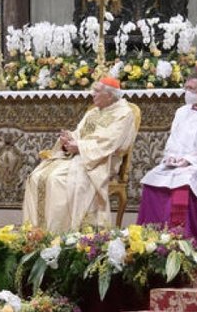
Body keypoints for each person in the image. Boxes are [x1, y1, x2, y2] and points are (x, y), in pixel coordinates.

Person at [22, 76, 138, 232]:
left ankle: (60, 232)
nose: (92, 94)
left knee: (57, 180)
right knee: (36, 176)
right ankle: (36, 230)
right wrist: (68, 140)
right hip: (79, 156)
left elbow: (110, 143)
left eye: (97, 91)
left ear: (109, 95)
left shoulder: (124, 114)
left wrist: (80, 147)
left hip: (101, 161)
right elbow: (79, 133)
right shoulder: (94, 111)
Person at [137, 71, 197, 244]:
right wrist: (171, 157)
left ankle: (182, 234)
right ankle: (152, 234)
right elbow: (174, 140)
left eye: (192, 89)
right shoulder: (181, 112)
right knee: (152, 180)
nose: (187, 92)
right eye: (186, 88)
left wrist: (190, 160)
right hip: (179, 163)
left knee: (185, 182)